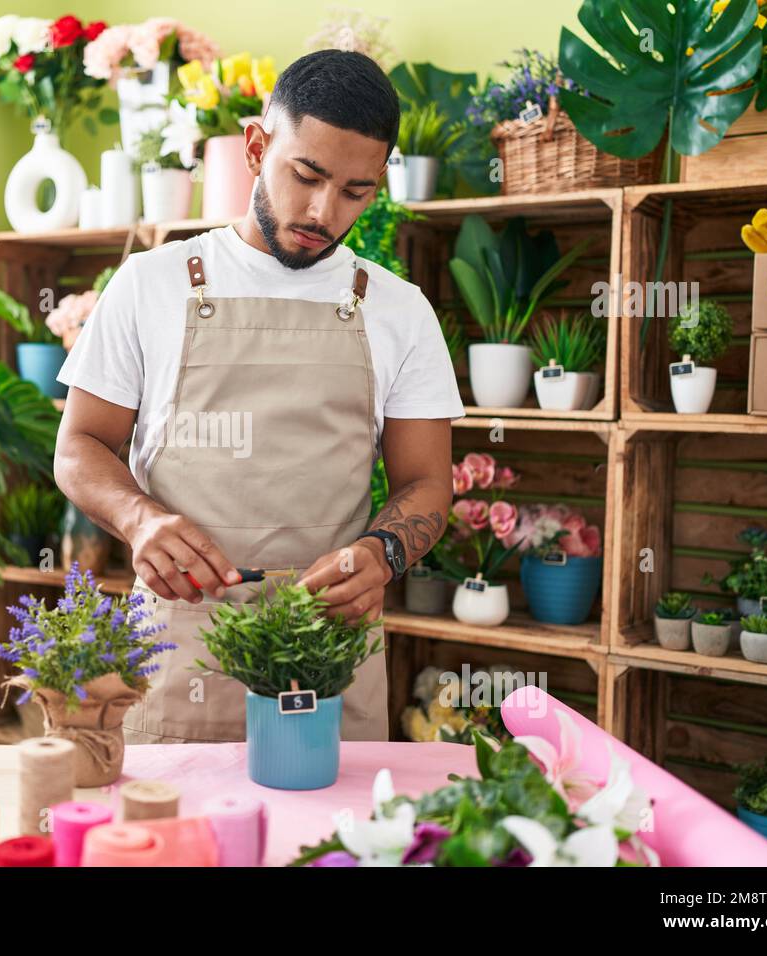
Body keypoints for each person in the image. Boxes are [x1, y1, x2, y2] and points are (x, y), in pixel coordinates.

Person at [53, 49, 464, 744]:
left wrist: (382, 555)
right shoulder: (149, 284)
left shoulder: (399, 309)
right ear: (255, 146)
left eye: (356, 192)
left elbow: (427, 484)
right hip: (178, 649)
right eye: (306, 175)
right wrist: (139, 520)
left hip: (328, 653)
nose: (322, 210)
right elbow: (79, 446)